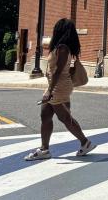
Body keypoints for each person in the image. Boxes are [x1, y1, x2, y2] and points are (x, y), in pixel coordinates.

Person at [24, 18, 95, 160]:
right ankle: (45, 149)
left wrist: (50, 91)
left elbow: (58, 71)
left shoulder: (63, 48)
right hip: (55, 85)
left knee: (64, 117)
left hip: (59, 86)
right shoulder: (59, 47)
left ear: (60, 31)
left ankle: (85, 142)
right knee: (45, 115)